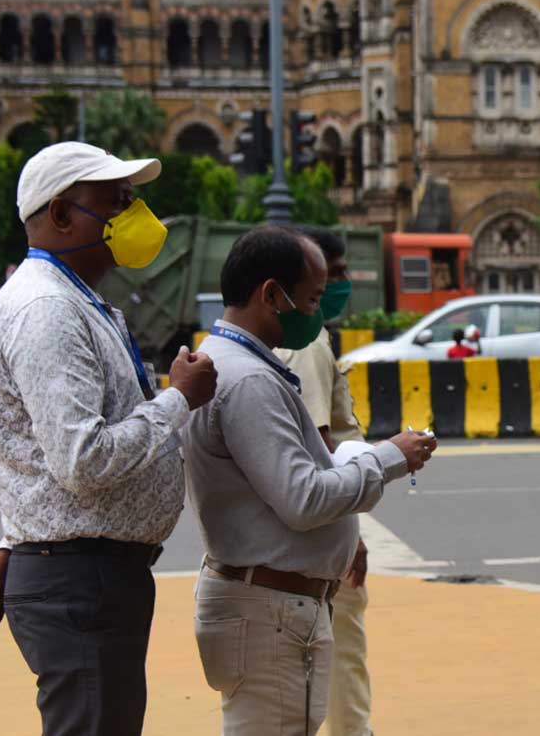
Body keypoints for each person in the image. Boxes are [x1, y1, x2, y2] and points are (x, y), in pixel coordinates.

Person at [0, 141, 219, 735]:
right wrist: (178, 399)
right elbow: (83, 460)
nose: (134, 216)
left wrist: (14, 546)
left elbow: (42, 450)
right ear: (60, 214)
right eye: (116, 202)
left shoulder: (78, 300)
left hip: (89, 575)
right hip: (81, 580)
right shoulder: (47, 309)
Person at [184, 225, 436, 736]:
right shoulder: (250, 380)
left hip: (269, 606)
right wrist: (390, 458)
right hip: (270, 611)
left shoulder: (235, 363)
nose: (317, 310)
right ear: (271, 295)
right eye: (312, 297)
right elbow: (302, 498)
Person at [272, 225, 376, 736]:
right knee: (340, 652)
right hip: (324, 527)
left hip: (294, 530)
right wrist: (347, 534)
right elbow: (319, 446)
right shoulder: (308, 340)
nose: (342, 282)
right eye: (332, 273)